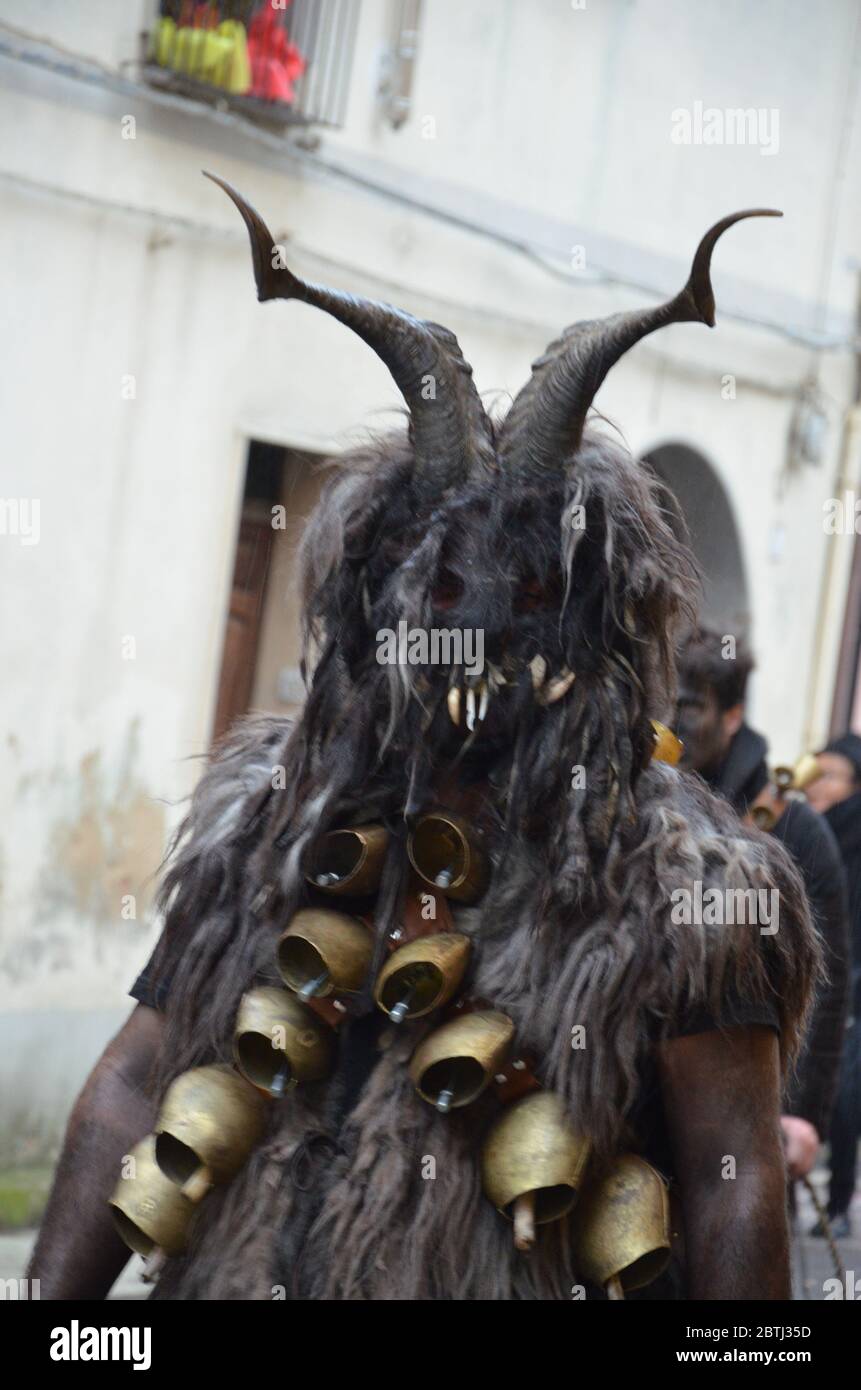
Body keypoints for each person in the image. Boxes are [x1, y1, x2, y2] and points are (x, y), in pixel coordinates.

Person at [27, 187, 818, 1301]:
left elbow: (732, 1177)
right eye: (438, 602)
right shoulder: (271, 822)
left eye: (520, 602)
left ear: (586, 623)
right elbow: (135, 1083)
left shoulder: (687, 887)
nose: (469, 653)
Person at [676, 627, 850, 1189]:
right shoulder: (629, 805)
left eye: (691, 705)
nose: (673, 719)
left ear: (732, 716)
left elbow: (824, 980)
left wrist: (801, 1114)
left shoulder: (794, 829)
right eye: (664, 702)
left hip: (745, 1114)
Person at [806, 733, 861, 1236]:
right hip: (816, 981)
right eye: (815, 770)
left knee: (845, 1098)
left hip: (855, 988)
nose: (816, 783)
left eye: (831, 775)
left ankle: (840, 1203)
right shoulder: (808, 829)